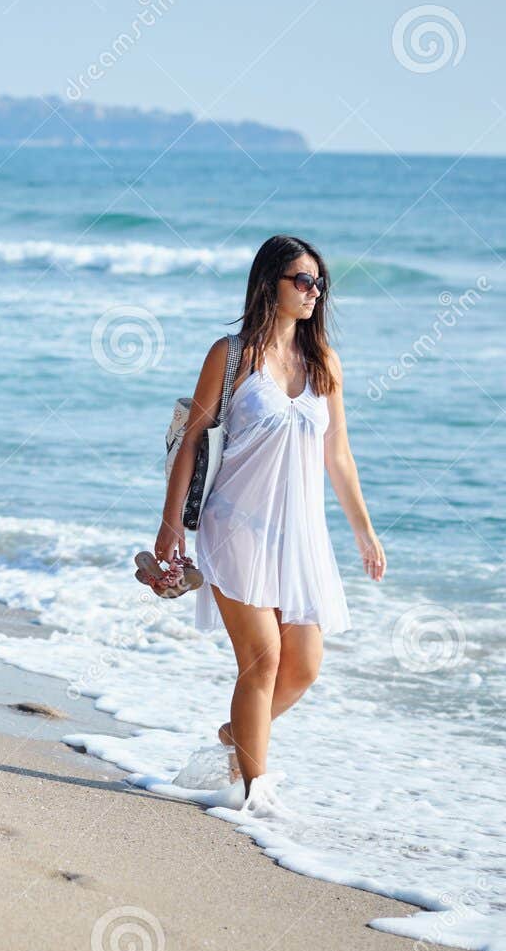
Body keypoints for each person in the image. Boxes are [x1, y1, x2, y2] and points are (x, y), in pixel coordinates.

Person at [155, 234, 386, 804]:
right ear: (269, 284)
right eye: (302, 280)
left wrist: (364, 532)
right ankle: (254, 795)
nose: (314, 291)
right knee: (261, 662)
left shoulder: (324, 363)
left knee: (303, 665)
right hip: (233, 527)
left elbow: (339, 456)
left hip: (298, 538)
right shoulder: (231, 355)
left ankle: (237, 734)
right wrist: (170, 525)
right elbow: (191, 441)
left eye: (319, 283)